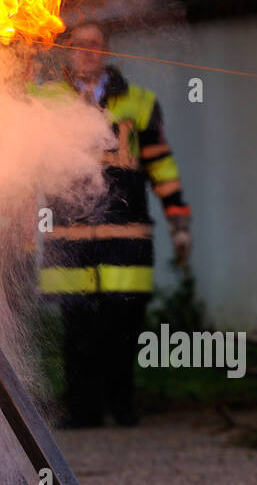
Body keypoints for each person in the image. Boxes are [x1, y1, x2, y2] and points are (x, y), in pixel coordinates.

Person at [30, 22, 191, 426]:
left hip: (125, 236)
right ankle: (82, 411)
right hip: (70, 237)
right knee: (77, 325)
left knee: (123, 325)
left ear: (107, 53)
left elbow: (161, 165)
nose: (86, 52)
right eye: (79, 46)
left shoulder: (139, 102)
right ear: (67, 52)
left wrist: (179, 221)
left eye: (95, 45)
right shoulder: (47, 100)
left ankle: (121, 405)